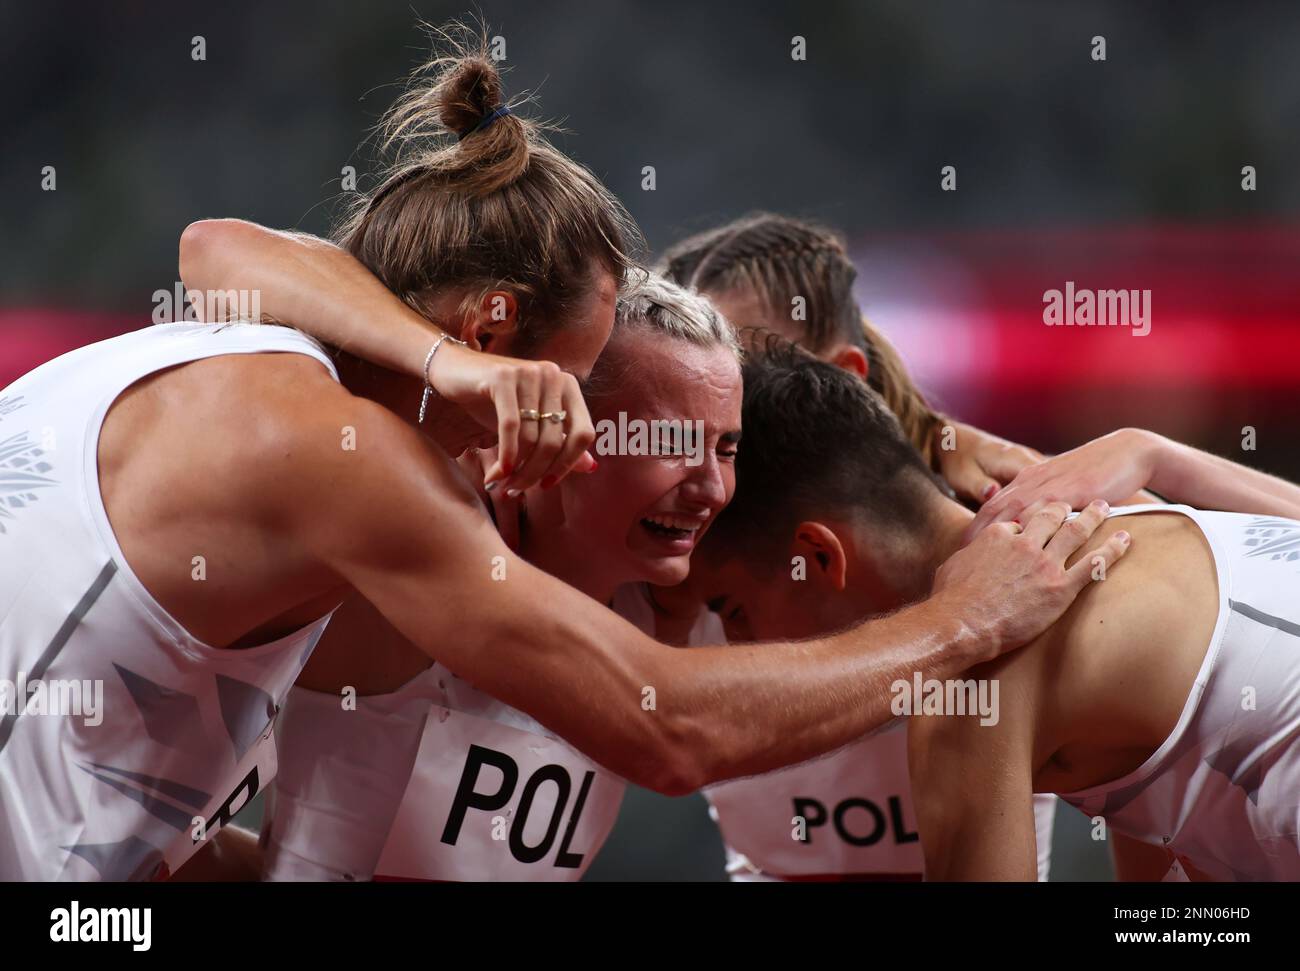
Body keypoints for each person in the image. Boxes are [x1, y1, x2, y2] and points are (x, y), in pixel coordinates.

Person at [0, 29, 1122, 882]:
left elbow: (219, 244)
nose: (576, 424)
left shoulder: (263, 354)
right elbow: (668, 729)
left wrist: (923, 439)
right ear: (496, 333)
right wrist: (967, 618)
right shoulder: (358, 461)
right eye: (580, 386)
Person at [693, 342, 1300, 881]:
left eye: (732, 608)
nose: (734, 639)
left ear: (818, 557)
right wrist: (1155, 455)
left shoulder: (968, 689)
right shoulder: (1134, 520)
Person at [266, 274, 740, 881]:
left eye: (727, 449)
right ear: (554, 425)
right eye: (671, 442)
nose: (709, 489)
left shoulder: (676, 604)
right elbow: (227, 256)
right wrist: (455, 366)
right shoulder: (396, 549)